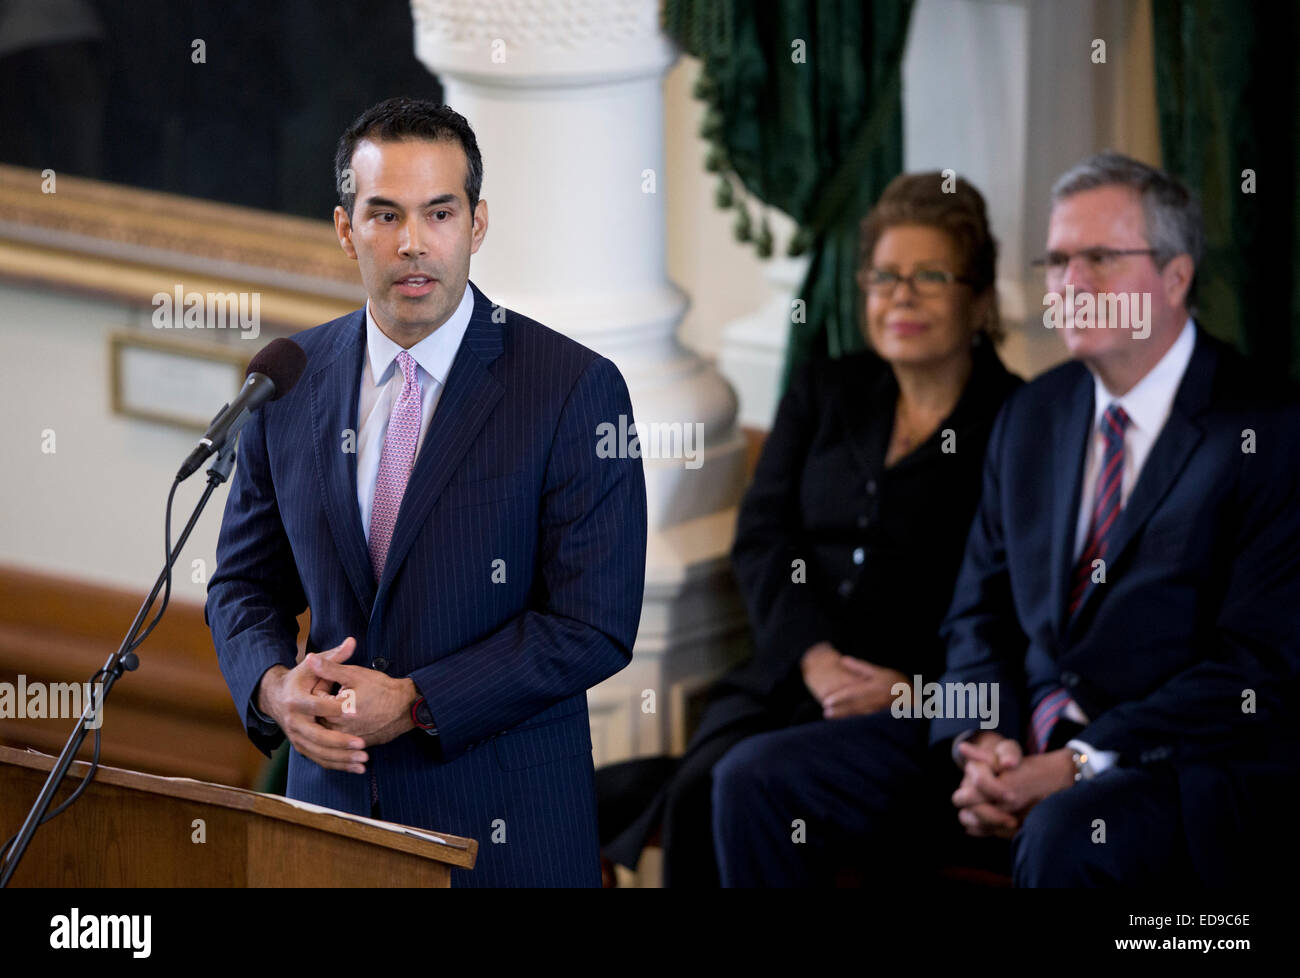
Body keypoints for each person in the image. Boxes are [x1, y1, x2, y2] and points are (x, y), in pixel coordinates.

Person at [712, 150, 1300, 887]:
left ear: (1176, 276)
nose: (1071, 283)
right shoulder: (1035, 414)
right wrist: (976, 737)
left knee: (1064, 835)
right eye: (1056, 261)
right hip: (1012, 732)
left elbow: (1257, 668)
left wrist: (1077, 762)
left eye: (1100, 258)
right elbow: (977, 618)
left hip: (1170, 762)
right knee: (757, 778)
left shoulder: (1268, 431)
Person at [205, 97, 647, 887]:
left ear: (477, 225)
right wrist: (274, 688)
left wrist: (414, 701)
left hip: (502, 833)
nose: (413, 244)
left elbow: (594, 624)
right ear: (346, 230)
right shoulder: (289, 379)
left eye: (438, 213)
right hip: (331, 824)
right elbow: (242, 583)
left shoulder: (572, 389)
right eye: (384, 216)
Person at [597, 173, 1022, 886]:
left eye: (930, 276)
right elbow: (764, 535)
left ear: (978, 299)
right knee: (695, 788)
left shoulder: (1019, 420)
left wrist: (912, 689)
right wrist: (813, 657)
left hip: (922, 707)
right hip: (791, 679)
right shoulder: (828, 390)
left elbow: (1010, 605)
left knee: (740, 782)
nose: (901, 295)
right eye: (884, 276)